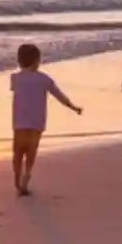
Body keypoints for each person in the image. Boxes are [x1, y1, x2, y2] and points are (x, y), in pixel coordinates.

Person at [10, 43, 82, 196]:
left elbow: (16, 91)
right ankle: (26, 175)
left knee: (17, 152)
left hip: (19, 121)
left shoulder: (15, 78)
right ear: (37, 60)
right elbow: (59, 95)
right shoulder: (44, 79)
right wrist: (73, 107)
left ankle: (17, 180)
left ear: (19, 60)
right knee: (31, 152)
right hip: (37, 122)